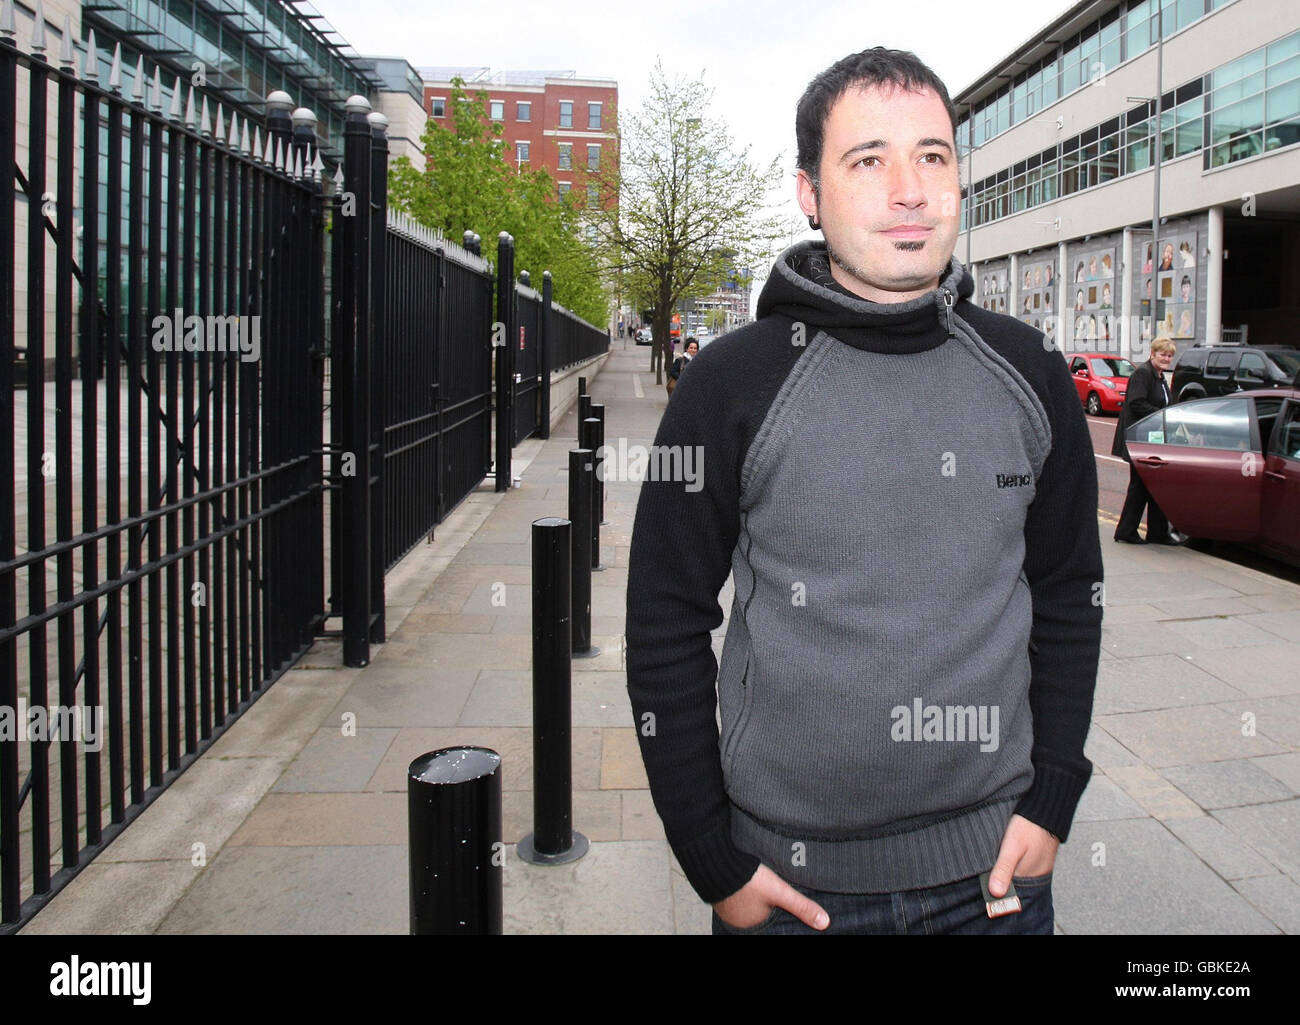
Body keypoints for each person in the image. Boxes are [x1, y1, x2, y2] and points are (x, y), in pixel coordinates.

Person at [626, 46, 1102, 937]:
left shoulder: (1030, 373)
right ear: (809, 191)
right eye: (869, 160)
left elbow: (1071, 590)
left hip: (997, 881)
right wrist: (710, 857)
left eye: (932, 156)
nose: (910, 190)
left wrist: (1054, 797)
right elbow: (662, 621)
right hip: (792, 895)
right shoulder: (730, 385)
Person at [1111, 337, 1184, 545]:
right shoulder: (1143, 373)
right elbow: (1136, 403)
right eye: (1163, 354)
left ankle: (1157, 533)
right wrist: (1161, 415)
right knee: (1140, 486)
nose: (1166, 359)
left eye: (1169, 355)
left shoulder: (1159, 376)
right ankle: (1126, 531)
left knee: (1154, 486)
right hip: (1140, 439)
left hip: (1153, 440)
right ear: (1152, 354)